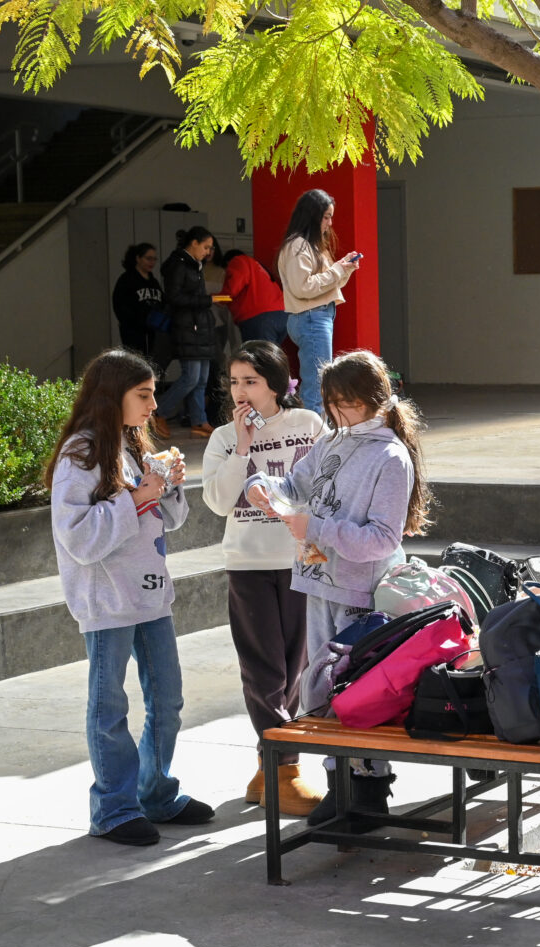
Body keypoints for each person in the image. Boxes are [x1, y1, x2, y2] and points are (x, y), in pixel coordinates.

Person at [246, 349, 429, 826]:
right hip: (319, 583)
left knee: (359, 694)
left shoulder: (390, 456)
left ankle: (367, 792)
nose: (337, 413)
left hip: (360, 596)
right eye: (331, 402)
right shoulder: (333, 440)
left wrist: (316, 528)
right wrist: (265, 488)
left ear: (375, 400)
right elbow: (297, 484)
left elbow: (383, 540)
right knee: (320, 690)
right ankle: (339, 785)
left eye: (346, 403)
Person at [46, 349, 215, 846]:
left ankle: (155, 793)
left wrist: (168, 487)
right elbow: (77, 537)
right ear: (112, 394)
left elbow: (169, 520)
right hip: (106, 601)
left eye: (153, 393)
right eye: (143, 395)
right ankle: (114, 809)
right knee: (109, 706)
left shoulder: (132, 443)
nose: (153, 404)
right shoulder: (80, 453)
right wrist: (142, 494)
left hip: (149, 593)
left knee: (168, 698)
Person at [201, 341, 325, 816]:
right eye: (234, 382)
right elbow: (217, 501)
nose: (241, 391)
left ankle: (266, 765)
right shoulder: (222, 438)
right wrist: (243, 447)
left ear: (275, 382)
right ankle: (285, 769)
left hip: (298, 559)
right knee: (263, 670)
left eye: (250, 381)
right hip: (248, 562)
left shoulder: (308, 425)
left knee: (293, 669)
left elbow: (320, 487)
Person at [278, 190, 361, 414]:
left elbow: (326, 285)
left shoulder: (310, 245)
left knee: (319, 382)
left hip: (315, 316)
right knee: (317, 386)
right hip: (311, 317)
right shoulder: (298, 245)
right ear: (312, 216)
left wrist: (344, 269)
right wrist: (337, 270)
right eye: (326, 216)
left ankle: (316, 437)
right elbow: (303, 287)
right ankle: (315, 441)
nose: (330, 223)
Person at [155, 226, 220, 439]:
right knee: (191, 377)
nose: (208, 252)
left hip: (197, 328)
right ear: (193, 243)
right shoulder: (179, 265)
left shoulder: (194, 265)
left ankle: (199, 420)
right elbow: (174, 297)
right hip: (187, 328)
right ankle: (159, 412)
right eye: (206, 246)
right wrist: (207, 300)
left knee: (201, 378)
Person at [215, 248, 289, 344]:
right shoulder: (257, 267)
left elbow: (231, 291)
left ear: (227, 262)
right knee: (269, 356)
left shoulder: (238, 261)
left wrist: (215, 299)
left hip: (260, 317)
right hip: (282, 316)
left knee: (258, 357)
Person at [111, 242, 163, 358]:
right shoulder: (126, 280)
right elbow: (119, 306)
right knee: (135, 363)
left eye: (154, 259)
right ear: (138, 258)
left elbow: (162, 303)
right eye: (148, 259)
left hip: (152, 333)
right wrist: (137, 322)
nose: (152, 262)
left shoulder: (154, 282)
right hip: (133, 333)